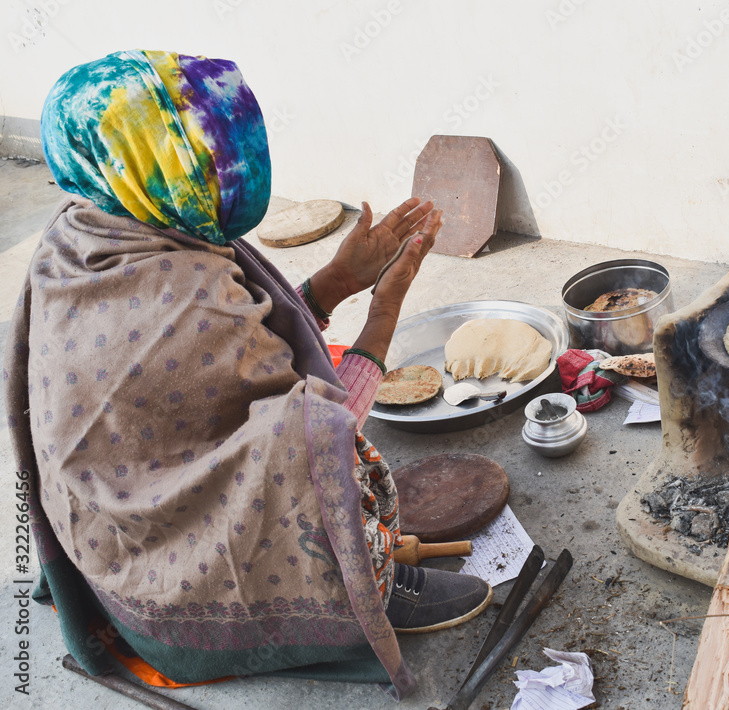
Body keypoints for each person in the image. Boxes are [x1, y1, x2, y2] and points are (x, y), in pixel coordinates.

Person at [3, 49, 491, 699]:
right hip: (173, 599)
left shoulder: (83, 232)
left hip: (106, 550)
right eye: (203, 163)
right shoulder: (185, 299)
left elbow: (227, 358)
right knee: (323, 461)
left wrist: (338, 280)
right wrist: (383, 310)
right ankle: (363, 587)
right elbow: (317, 440)